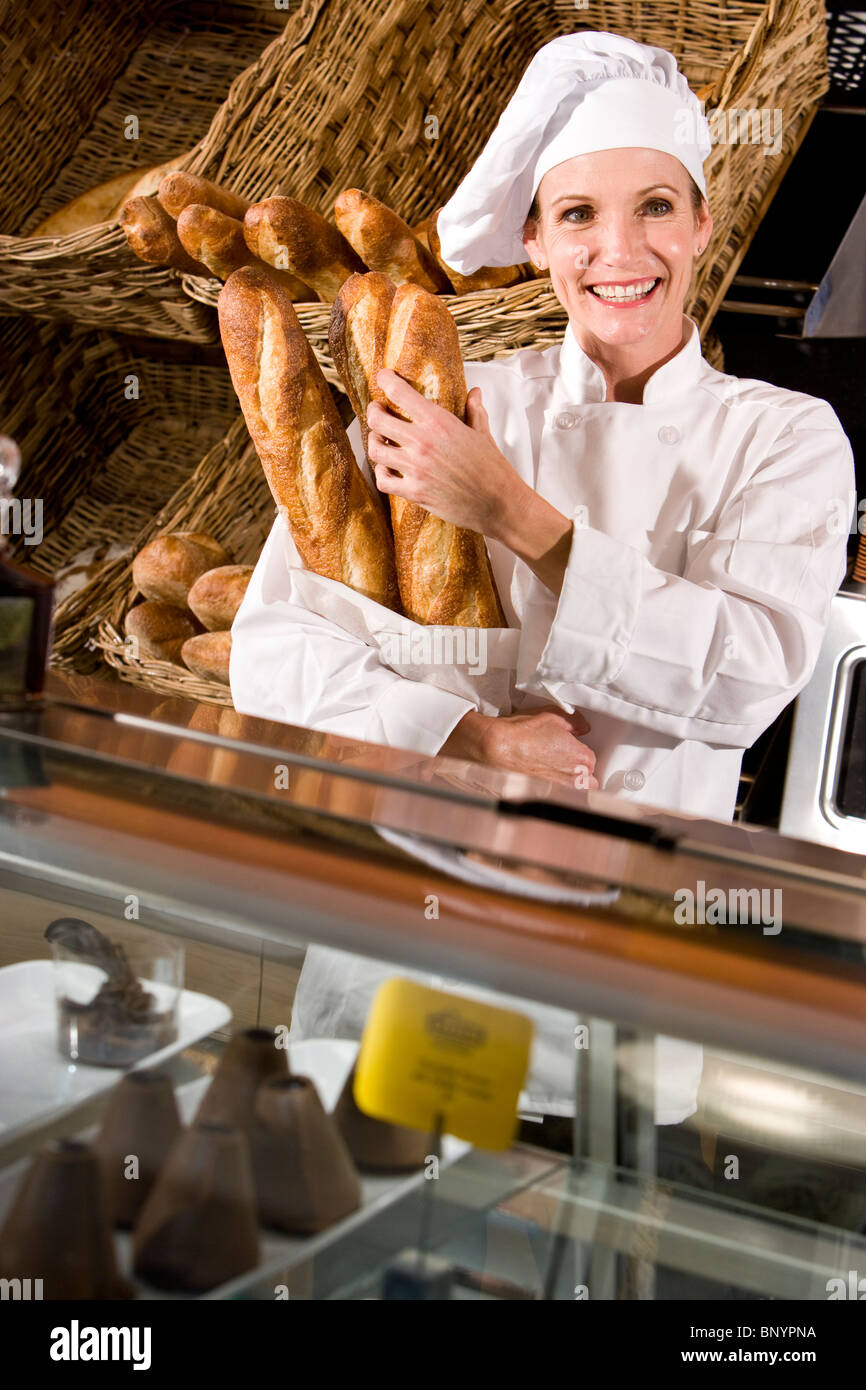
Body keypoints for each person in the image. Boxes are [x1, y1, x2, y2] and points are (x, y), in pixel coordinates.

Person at [230, 34, 854, 1141]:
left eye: (656, 206)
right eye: (575, 215)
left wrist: (508, 512)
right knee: (361, 1241)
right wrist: (465, 735)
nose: (620, 249)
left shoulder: (784, 438)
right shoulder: (453, 399)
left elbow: (744, 685)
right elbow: (272, 655)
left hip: (614, 974)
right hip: (408, 945)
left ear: (703, 221)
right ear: (532, 237)